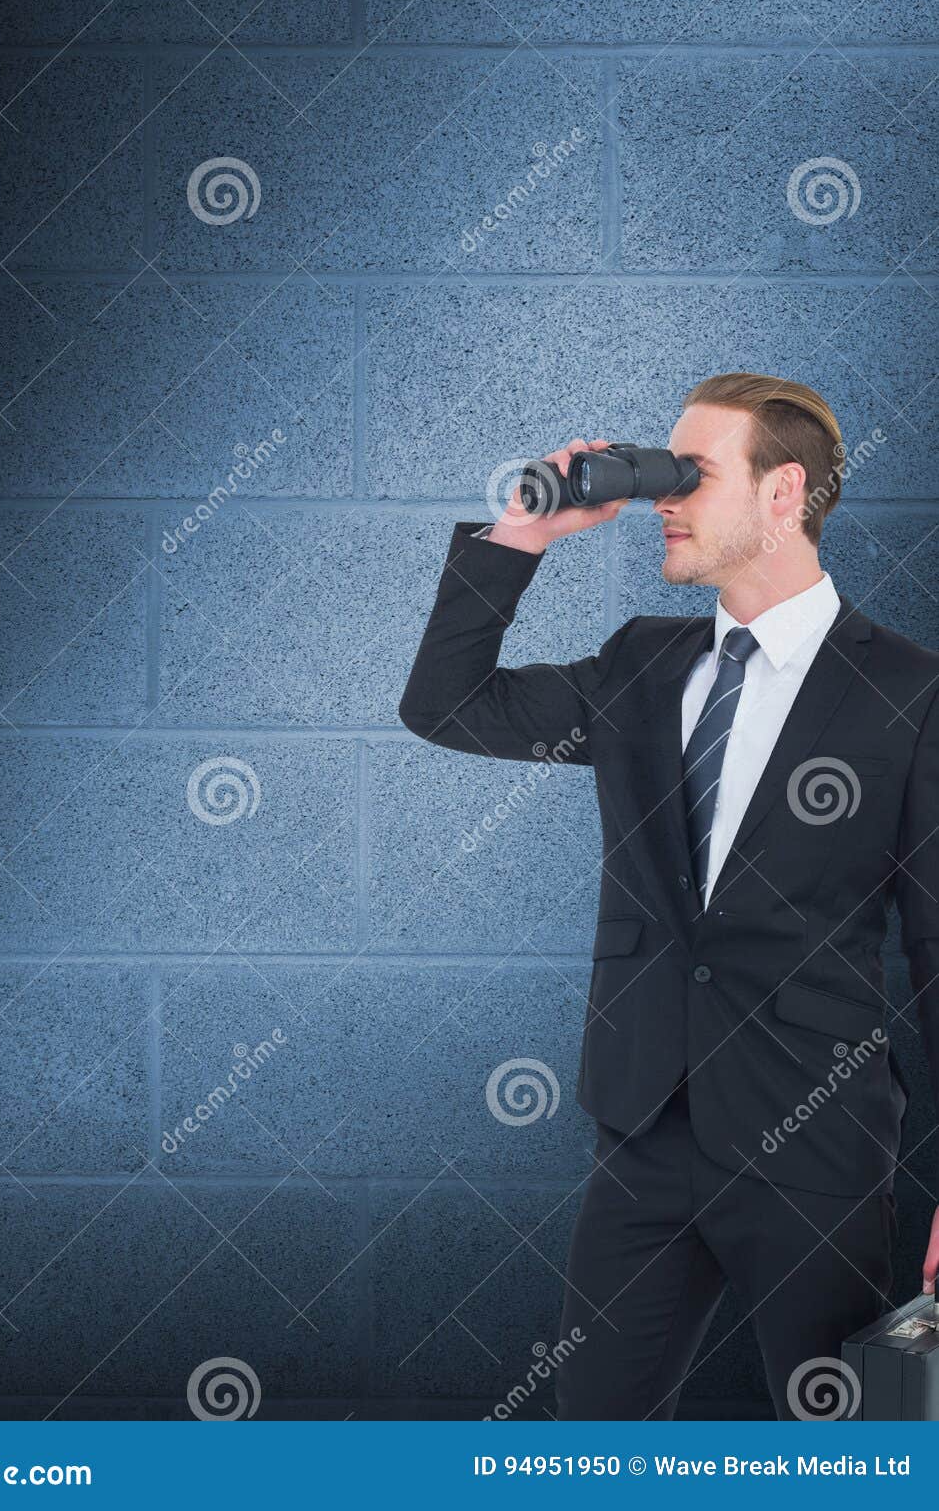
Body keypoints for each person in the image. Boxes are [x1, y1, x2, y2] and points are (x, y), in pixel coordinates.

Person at [398, 372, 939, 1420]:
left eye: (694, 475)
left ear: (786, 494)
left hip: (815, 1152)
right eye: (664, 470)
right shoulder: (643, 665)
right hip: (643, 1137)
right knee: (593, 1445)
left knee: (844, 1453)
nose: (664, 498)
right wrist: (525, 535)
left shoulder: (909, 695)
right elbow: (445, 704)